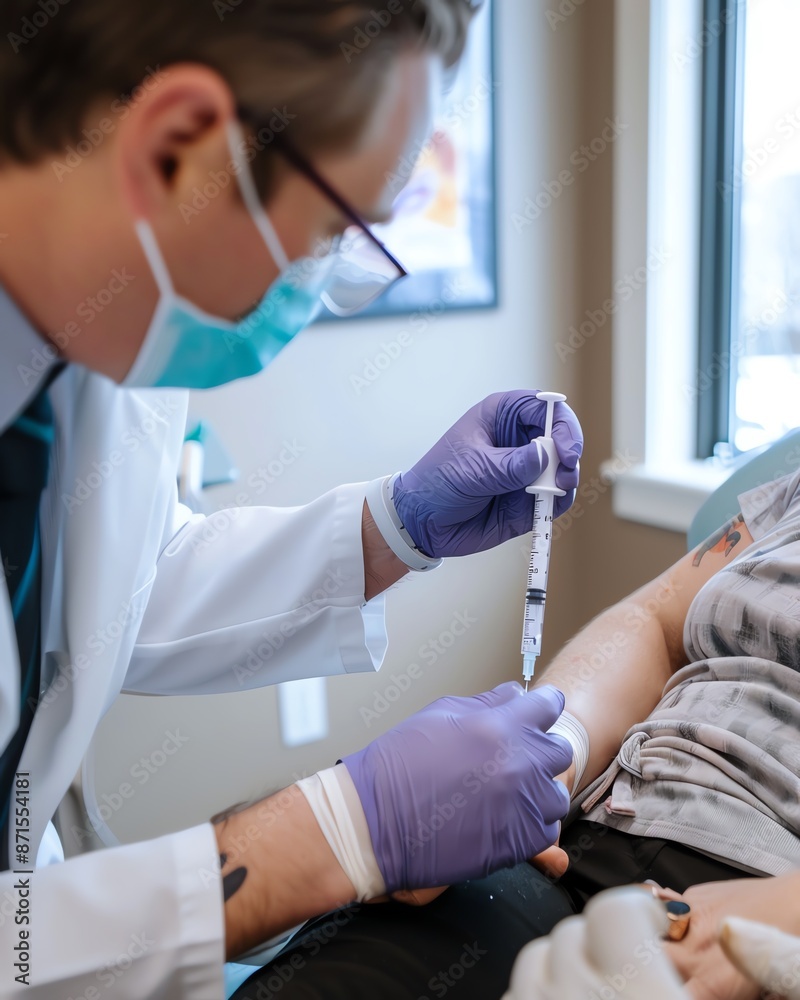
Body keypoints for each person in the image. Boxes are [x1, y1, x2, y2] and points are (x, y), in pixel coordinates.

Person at [0, 2, 586, 996]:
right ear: (180, 145)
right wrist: (332, 834)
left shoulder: (89, 355)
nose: (315, 287)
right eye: (332, 229)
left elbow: (112, 590)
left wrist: (393, 526)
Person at [230, 466, 800, 999]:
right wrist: (561, 748)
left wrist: (778, 915)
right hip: (570, 836)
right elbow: (657, 621)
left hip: (753, 893)